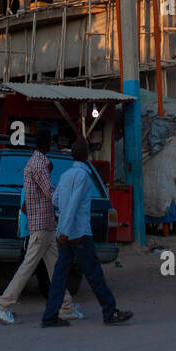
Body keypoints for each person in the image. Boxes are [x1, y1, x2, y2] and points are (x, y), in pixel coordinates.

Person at [40, 139, 132, 328]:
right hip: (79, 233)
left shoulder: (65, 175)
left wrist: (62, 227)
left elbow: (56, 200)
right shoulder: (83, 176)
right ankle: (109, 311)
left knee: (59, 276)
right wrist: (66, 229)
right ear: (88, 156)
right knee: (94, 275)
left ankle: (50, 315)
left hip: (66, 235)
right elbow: (73, 204)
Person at [0, 131, 79, 324]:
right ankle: (2, 305)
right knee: (27, 267)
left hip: (45, 225)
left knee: (55, 268)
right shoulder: (40, 165)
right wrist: (70, 201)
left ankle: (66, 306)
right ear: (47, 144)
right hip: (41, 225)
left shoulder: (37, 162)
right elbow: (50, 193)